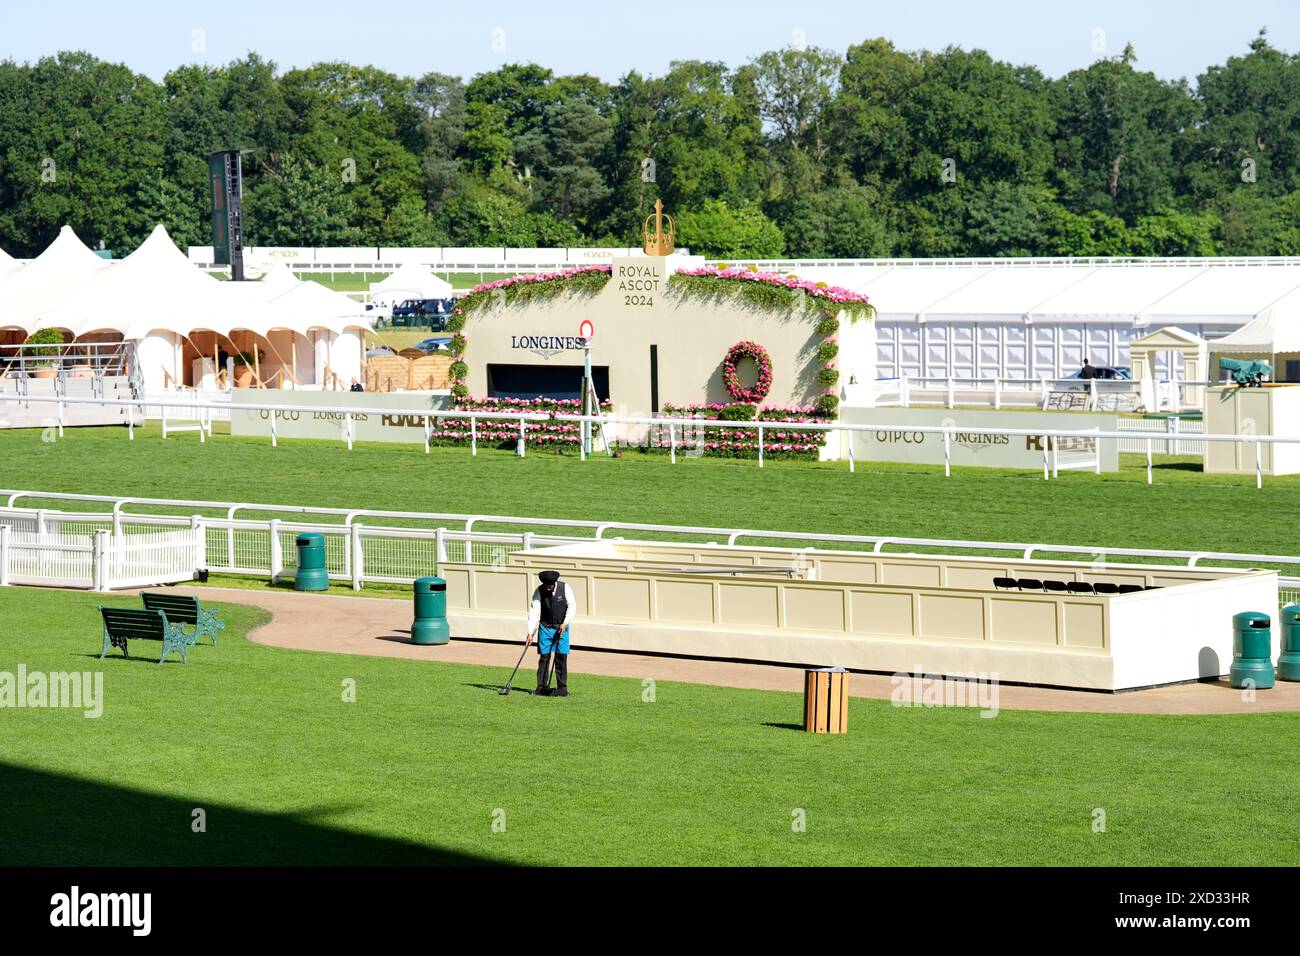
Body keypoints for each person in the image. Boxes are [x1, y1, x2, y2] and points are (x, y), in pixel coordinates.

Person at [526, 570, 575, 697]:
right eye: (546, 586)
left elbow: (572, 606)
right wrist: (530, 632)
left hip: (562, 627)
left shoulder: (565, 588)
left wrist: (565, 623)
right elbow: (534, 612)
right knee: (544, 658)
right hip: (545, 627)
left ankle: (562, 688)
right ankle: (541, 687)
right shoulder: (539, 591)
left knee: (561, 657)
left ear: (554, 583)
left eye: (550, 586)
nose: (548, 588)